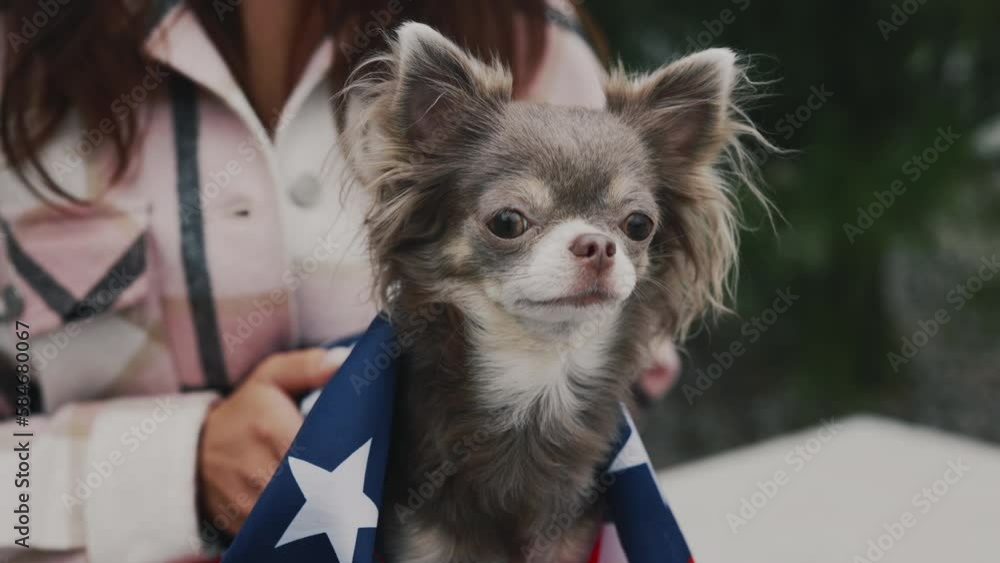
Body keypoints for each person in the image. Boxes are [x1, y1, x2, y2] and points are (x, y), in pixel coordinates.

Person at [0, 1, 677, 560]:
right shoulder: (20, 57)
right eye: (509, 218)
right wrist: (175, 465)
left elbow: (634, 361)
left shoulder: (522, 28)